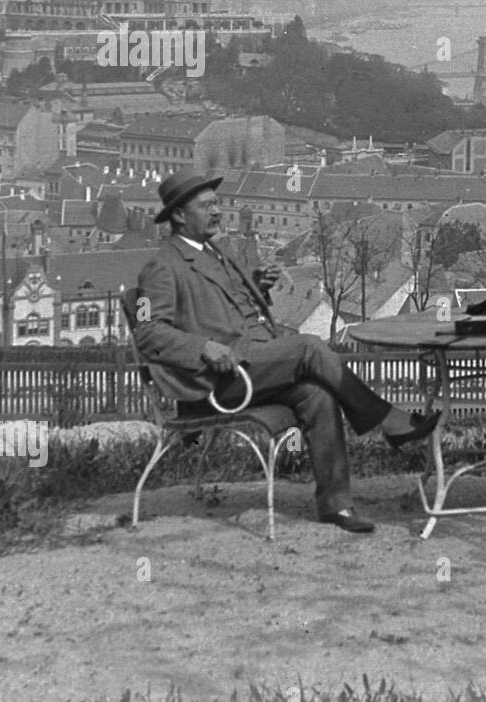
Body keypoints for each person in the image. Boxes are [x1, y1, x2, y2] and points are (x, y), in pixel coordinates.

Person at [133, 169, 440, 534]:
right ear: (180, 216)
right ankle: (389, 421)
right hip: (218, 382)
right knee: (309, 347)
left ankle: (336, 505)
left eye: (217, 203)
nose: (216, 211)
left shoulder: (215, 251)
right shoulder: (162, 266)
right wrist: (203, 347)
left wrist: (257, 287)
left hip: (252, 364)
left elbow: (230, 312)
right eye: (206, 206)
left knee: (317, 395)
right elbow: (148, 331)